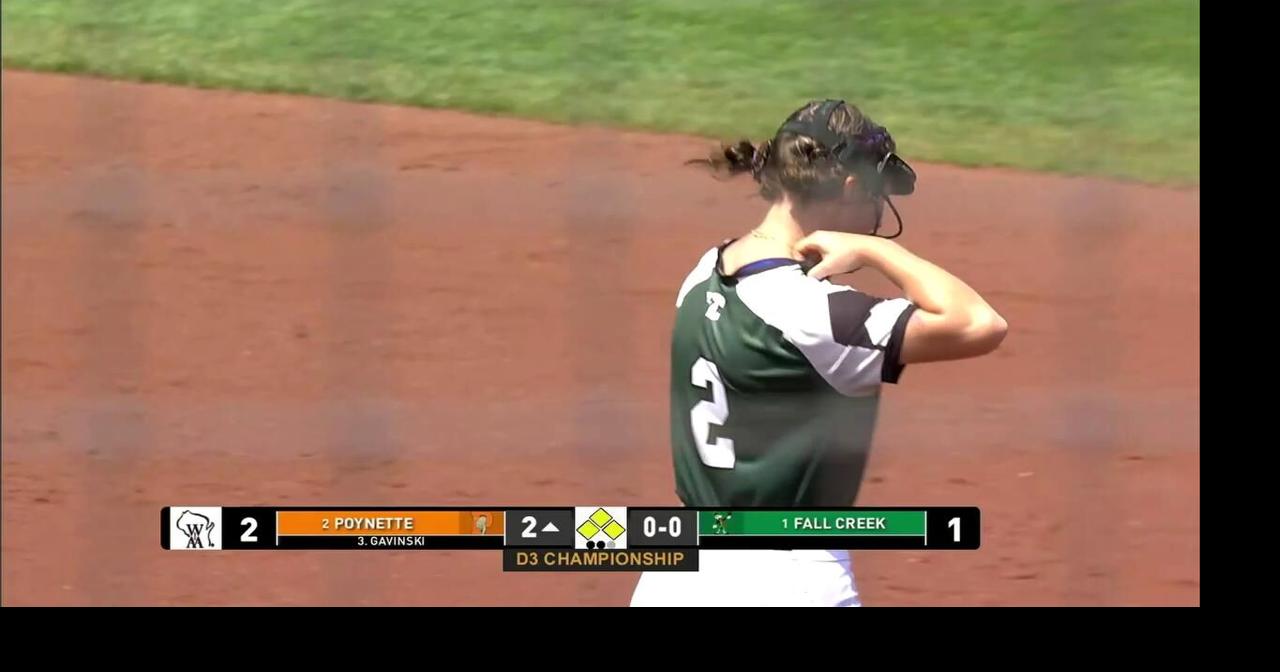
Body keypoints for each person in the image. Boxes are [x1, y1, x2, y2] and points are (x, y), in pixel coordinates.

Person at [629, 99, 1008, 607]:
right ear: (851, 186)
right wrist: (881, 252)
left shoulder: (701, 273)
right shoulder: (813, 315)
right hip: (786, 580)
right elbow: (980, 323)